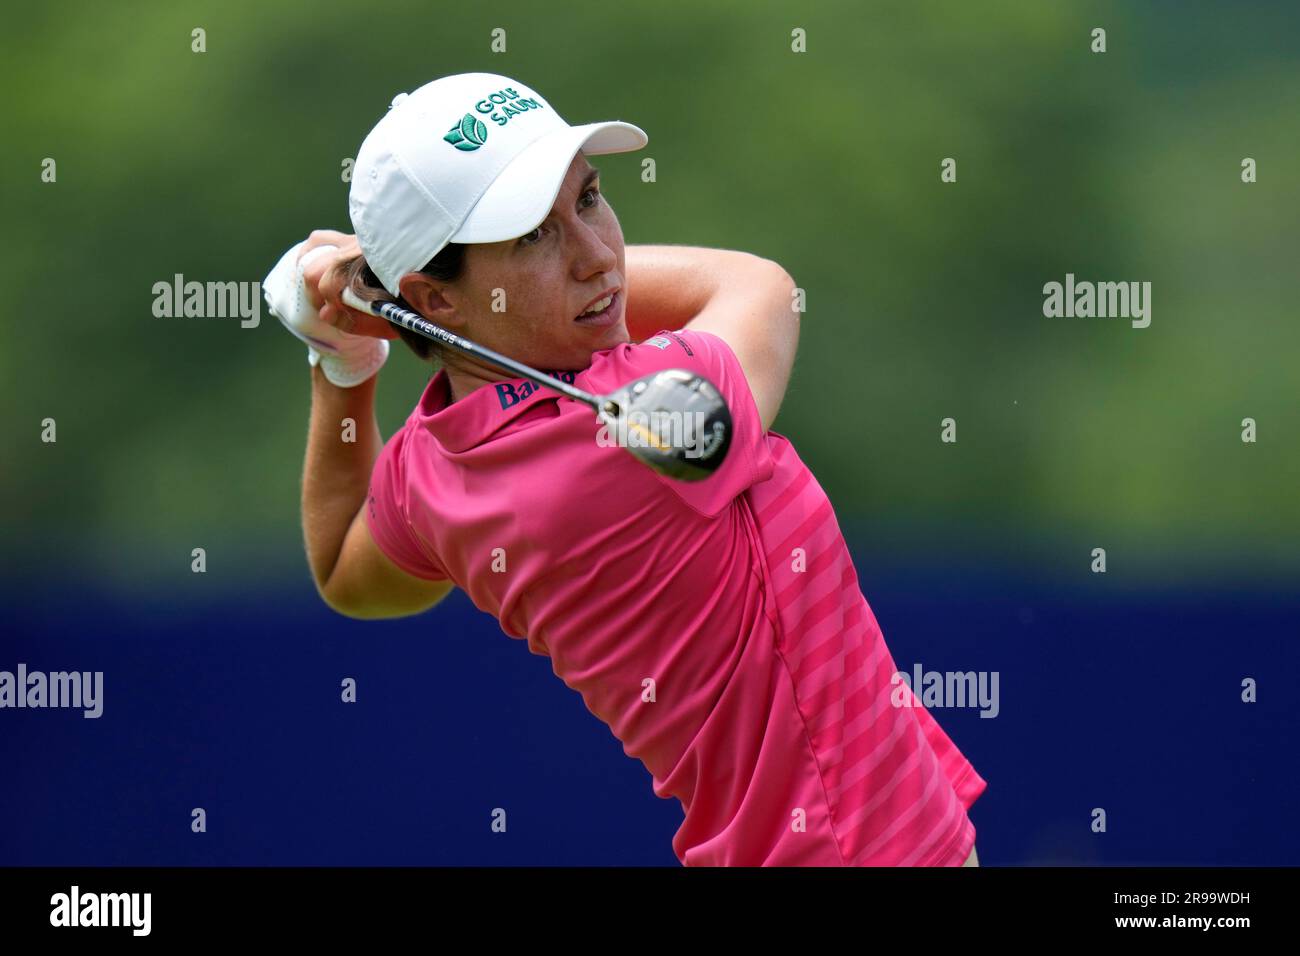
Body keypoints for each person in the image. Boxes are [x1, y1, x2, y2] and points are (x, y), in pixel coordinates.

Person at [265, 71, 986, 866]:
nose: (597, 253)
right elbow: (759, 286)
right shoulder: (637, 427)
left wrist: (341, 357)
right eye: (532, 235)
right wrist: (378, 299)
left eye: (588, 198)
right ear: (434, 301)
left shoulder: (430, 464)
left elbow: (343, 571)